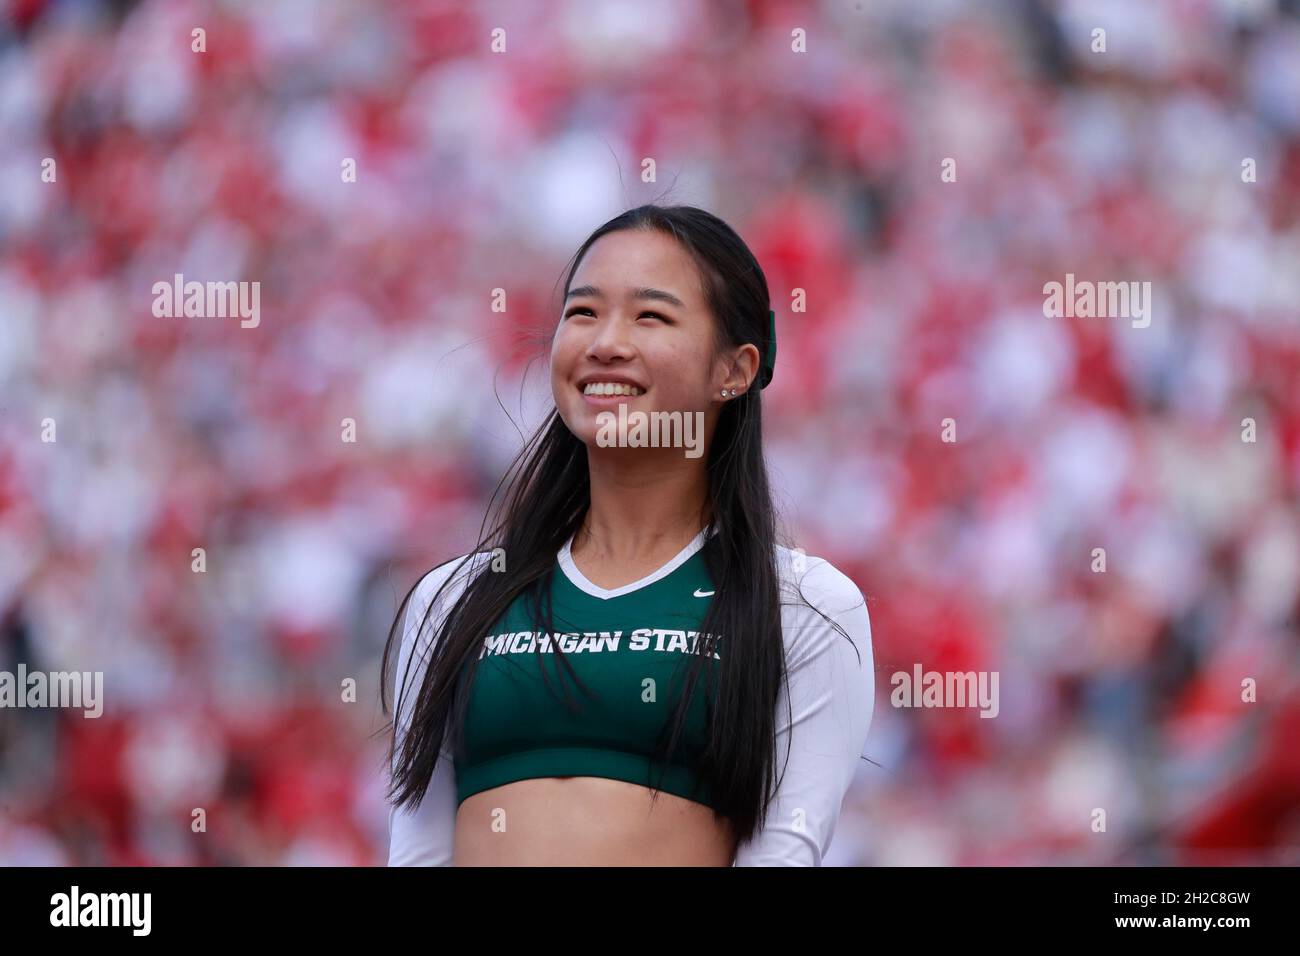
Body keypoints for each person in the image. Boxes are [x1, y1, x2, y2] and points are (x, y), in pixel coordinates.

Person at [382, 204, 875, 866]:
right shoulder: (456, 599)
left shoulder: (802, 605)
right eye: (583, 312)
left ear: (734, 369)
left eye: (651, 316)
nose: (604, 343)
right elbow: (418, 851)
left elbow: (783, 853)